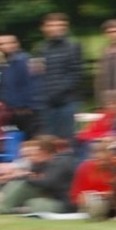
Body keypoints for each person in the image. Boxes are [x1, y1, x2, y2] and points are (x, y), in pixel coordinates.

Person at [35, 12, 84, 142]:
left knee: (66, 139)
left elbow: (76, 74)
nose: (55, 28)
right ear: (44, 28)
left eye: (60, 25)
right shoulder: (42, 48)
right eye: (51, 25)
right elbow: (39, 73)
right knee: (48, 139)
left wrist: (58, 93)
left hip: (66, 100)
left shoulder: (73, 46)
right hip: (46, 102)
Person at [0, 32, 38, 138]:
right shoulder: (4, 64)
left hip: (27, 111)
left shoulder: (25, 61)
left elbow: (33, 85)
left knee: (30, 139)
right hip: (11, 111)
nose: (3, 47)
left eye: (6, 43)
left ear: (16, 44)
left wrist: (28, 106)